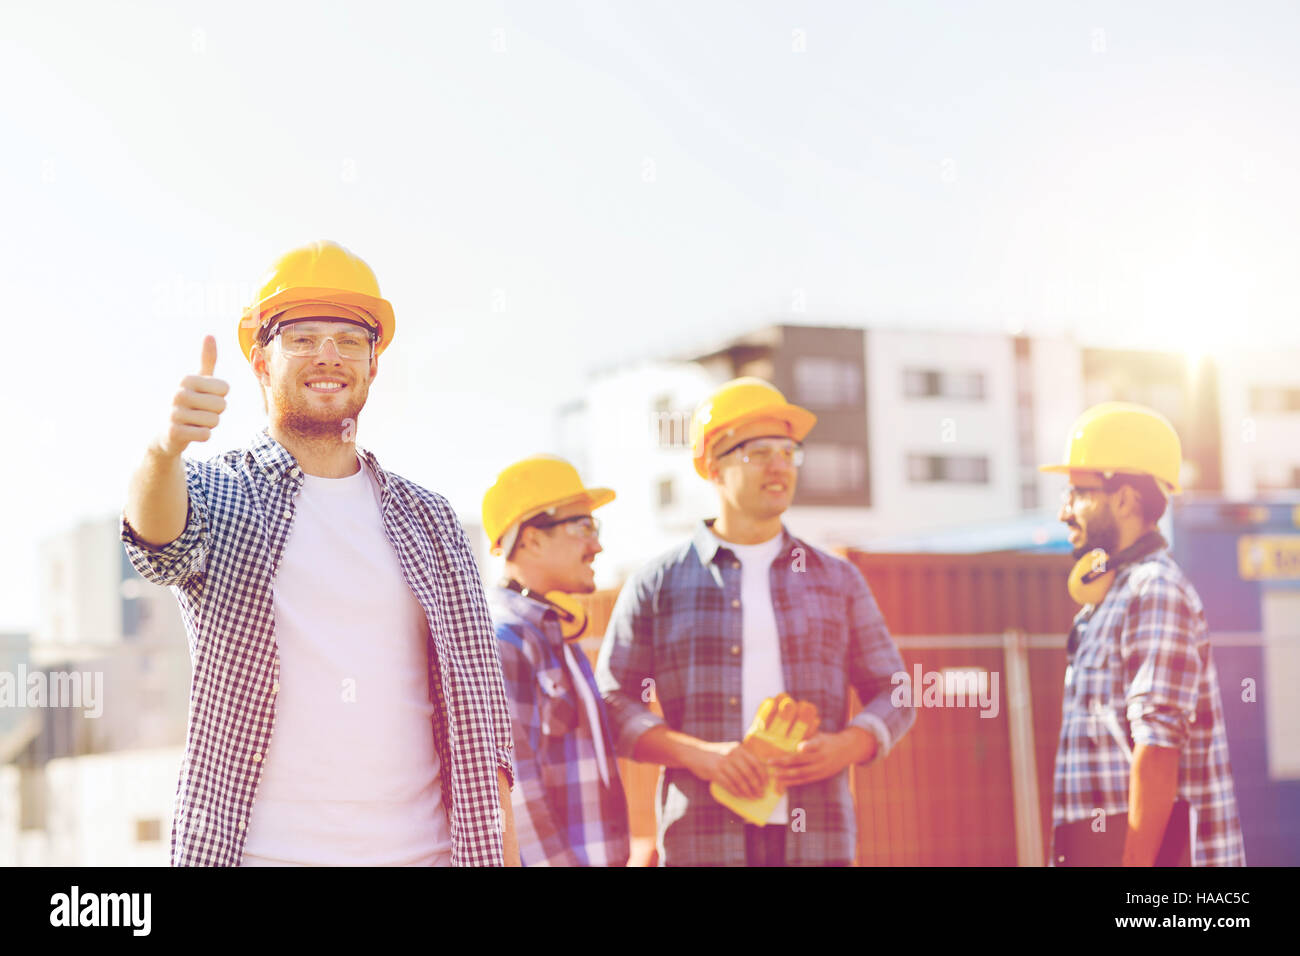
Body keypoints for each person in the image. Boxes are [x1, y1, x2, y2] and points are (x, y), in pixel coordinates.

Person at [121, 240, 518, 866]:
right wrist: (164, 450)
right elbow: (156, 543)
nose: (328, 356)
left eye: (350, 339)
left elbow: (483, 722)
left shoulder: (434, 522)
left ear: (374, 364)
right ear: (260, 361)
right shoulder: (216, 492)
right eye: (302, 338)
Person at [596, 377, 915, 866]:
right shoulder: (656, 584)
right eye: (758, 451)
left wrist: (848, 745)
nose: (779, 466)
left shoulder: (838, 580)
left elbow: (896, 690)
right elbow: (613, 703)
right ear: (713, 468)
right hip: (703, 837)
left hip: (817, 837)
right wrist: (701, 755)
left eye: (789, 452)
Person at [1041, 402, 1245, 866]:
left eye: (1078, 493)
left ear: (1126, 498)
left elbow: (1157, 750)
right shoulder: (1109, 598)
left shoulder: (1154, 591)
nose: (1064, 512)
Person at [483, 456, 630, 866]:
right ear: (530, 540)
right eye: (583, 527)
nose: (596, 545)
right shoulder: (505, 639)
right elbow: (515, 792)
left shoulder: (553, 631)